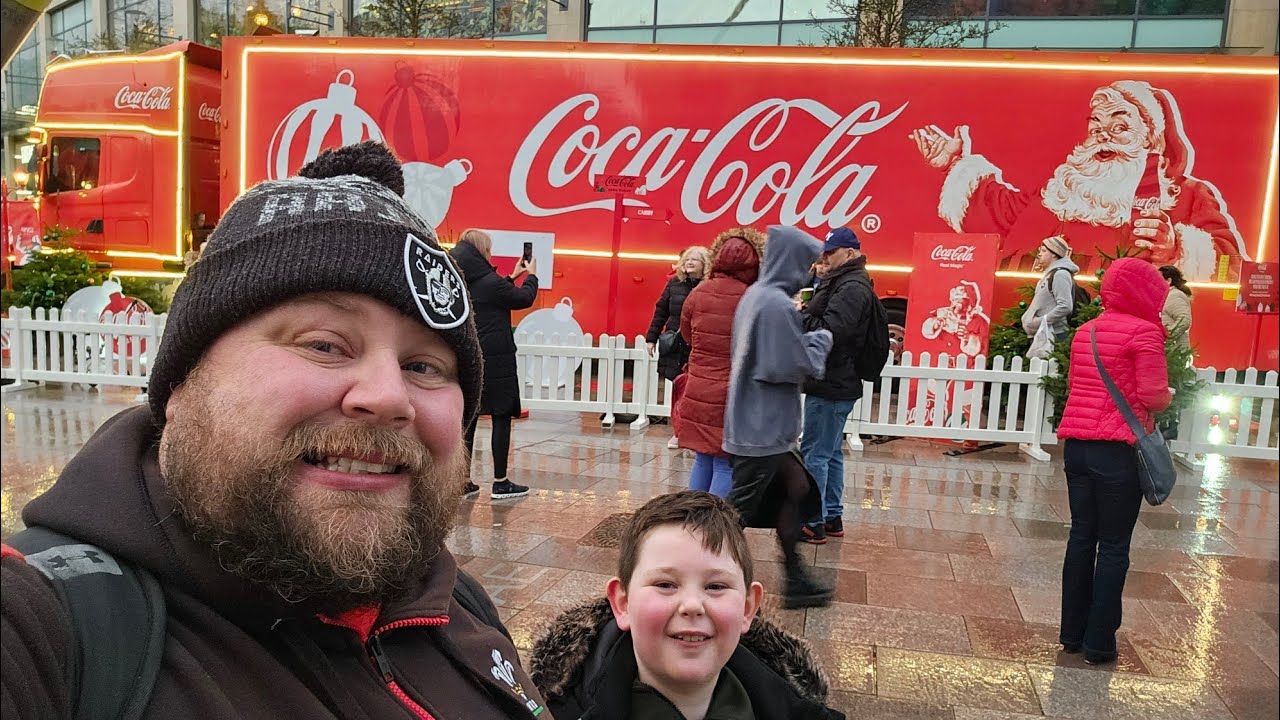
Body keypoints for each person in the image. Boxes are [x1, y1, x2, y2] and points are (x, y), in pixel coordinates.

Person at [0, 142, 549, 719]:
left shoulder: (456, 604)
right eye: (323, 344)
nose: (388, 397)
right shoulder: (44, 631)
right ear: (184, 384)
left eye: (423, 367)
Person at [528, 491, 845, 720]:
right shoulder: (558, 711)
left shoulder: (796, 707)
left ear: (749, 607)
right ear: (622, 603)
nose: (692, 605)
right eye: (665, 584)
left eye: (716, 586)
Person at [913, 80, 1250, 281]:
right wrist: (955, 164)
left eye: (1119, 127)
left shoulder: (1187, 196)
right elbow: (998, 211)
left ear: (1153, 138)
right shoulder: (1061, 190)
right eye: (1096, 125)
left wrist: (1177, 248)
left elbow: (1229, 268)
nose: (1103, 135)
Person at [1055, 257, 1173, 666]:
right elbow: (1154, 395)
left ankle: (1071, 634)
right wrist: (1168, 397)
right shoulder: (1145, 333)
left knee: (1081, 537)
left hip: (1078, 447)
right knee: (1115, 546)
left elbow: (1078, 387)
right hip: (1117, 453)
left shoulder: (1085, 331)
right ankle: (1099, 643)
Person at [723, 225, 834, 609]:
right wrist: (820, 342)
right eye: (807, 264)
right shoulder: (775, 304)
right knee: (736, 510)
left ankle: (795, 575)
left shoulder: (759, 296)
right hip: (762, 427)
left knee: (796, 489)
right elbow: (785, 366)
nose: (810, 273)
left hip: (759, 423)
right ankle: (701, 568)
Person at [799, 227, 876, 543]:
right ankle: (831, 516)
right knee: (830, 453)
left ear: (851, 253)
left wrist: (802, 314)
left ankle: (813, 521)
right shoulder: (846, 282)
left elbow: (831, 333)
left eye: (831, 252)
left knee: (815, 453)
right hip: (838, 380)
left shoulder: (850, 288)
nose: (824, 257)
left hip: (831, 381)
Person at [449, 228, 538, 499]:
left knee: (470, 418)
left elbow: (495, 294)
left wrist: (512, 276)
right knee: (501, 416)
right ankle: (501, 482)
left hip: (470, 357)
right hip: (498, 359)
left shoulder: (461, 280)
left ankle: (463, 481)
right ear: (482, 251)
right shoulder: (490, 282)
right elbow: (524, 298)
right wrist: (531, 274)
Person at [677, 227, 765, 498]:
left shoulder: (699, 292)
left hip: (699, 387)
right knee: (725, 462)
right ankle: (713, 528)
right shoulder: (753, 299)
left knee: (703, 457)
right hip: (733, 394)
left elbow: (687, 334)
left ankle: (692, 519)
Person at [646, 246, 711, 449]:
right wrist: (651, 337)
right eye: (687, 259)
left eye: (695, 259)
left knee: (695, 392)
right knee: (679, 389)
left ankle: (692, 433)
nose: (689, 262)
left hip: (699, 345)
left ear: (705, 264)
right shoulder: (674, 284)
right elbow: (661, 311)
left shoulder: (709, 286)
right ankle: (679, 432)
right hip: (676, 344)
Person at [1022, 235, 1082, 353]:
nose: (1039, 254)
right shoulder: (1051, 275)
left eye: (1044, 251)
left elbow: (1065, 306)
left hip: (1055, 336)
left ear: (1054, 253)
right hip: (1047, 334)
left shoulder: (1060, 274)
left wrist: (1040, 321)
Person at [1159, 264, 1192, 351]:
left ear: (1169, 280)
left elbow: (1184, 320)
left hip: (1174, 351)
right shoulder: (1165, 296)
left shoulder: (1175, 295)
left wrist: (1167, 336)